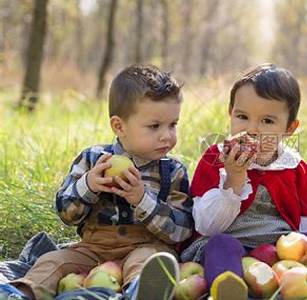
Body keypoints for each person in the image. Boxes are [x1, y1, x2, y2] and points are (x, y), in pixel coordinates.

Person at [181, 63, 307, 300]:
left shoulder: (294, 167)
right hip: (230, 245)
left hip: (281, 252)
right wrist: (234, 179)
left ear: (290, 128)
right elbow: (205, 226)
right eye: (242, 116)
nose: (252, 129)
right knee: (220, 245)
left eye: (267, 121)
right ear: (230, 113)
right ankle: (228, 288)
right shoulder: (217, 159)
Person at [0, 65, 193, 300]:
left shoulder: (172, 171)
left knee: (148, 263)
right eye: (155, 126)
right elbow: (66, 213)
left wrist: (142, 199)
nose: (167, 135)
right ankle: (20, 293)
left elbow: (182, 231)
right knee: (53, 261)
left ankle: (142, 293)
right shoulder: (93, 160)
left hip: (146, 247)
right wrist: (88, 186)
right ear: (119, 126)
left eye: (173, 124)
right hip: (94, 249)